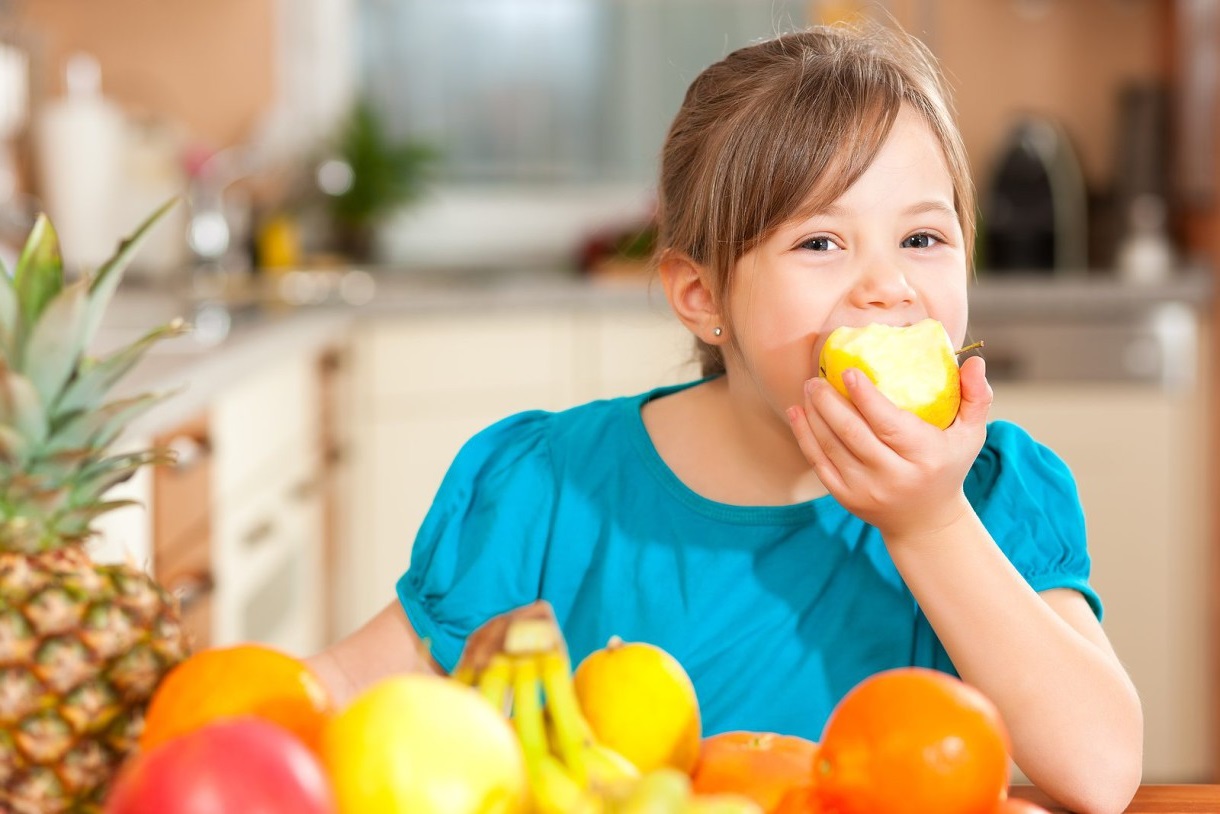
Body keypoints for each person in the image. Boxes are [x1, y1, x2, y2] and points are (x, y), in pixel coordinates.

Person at [309, 22, 1142, 813]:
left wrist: (928, 523)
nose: (887, 286)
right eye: (821, 243)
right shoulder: (546, 490)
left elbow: (1102, 772)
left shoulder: (990, 496)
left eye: (923, 239)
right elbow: (327, 702)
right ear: (702, 295)